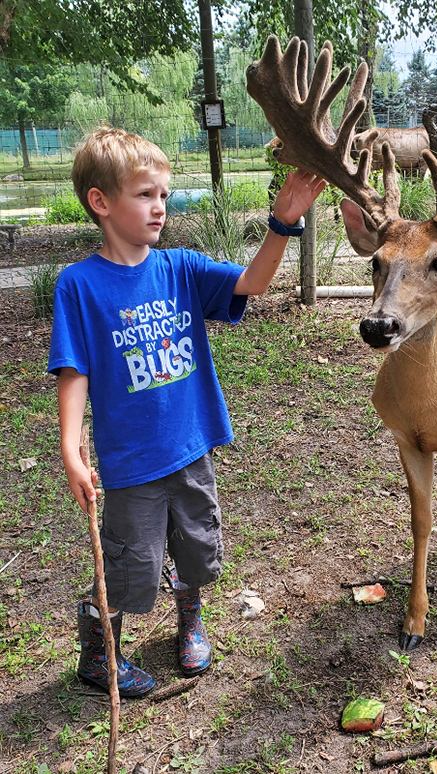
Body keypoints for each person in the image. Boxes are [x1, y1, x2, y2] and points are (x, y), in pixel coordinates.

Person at [48, 127, 325, 697]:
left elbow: (253, 282)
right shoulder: (79, 285)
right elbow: (73, 368)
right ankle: (99, 654)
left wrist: (284, 221)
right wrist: (72, 447)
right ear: (101, 202)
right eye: (145, 194)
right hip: (131, 465)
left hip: (191, 445)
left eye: (164, 195)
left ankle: (190, 618)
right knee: (132, 567)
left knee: (198, 548)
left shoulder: (181, 267)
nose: (160, 207)